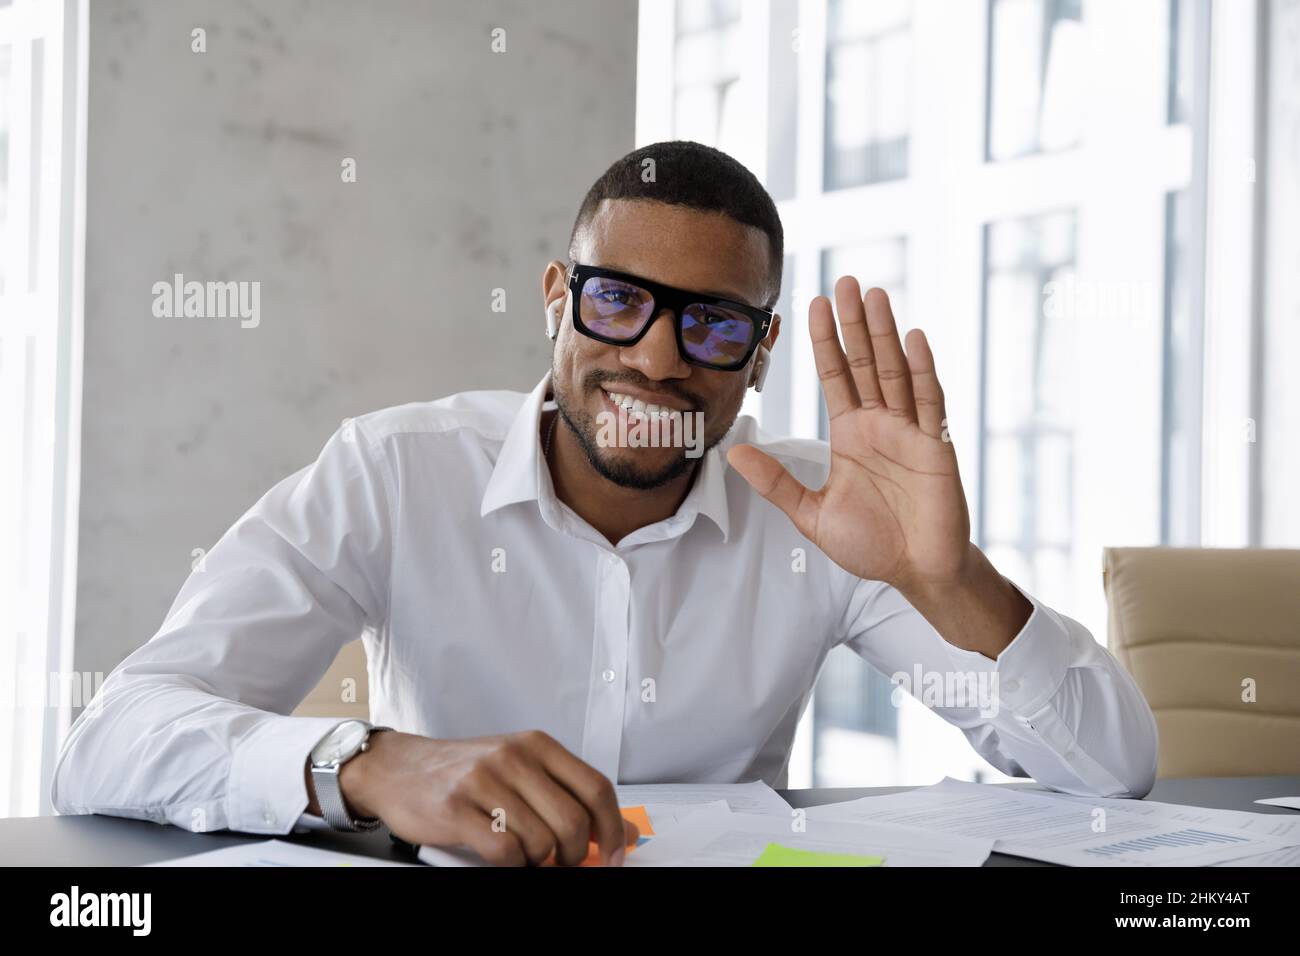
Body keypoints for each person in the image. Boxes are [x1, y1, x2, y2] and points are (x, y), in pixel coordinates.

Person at [52, 141, 1158, 866]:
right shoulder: (394, 472)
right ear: (556, 299)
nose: (658, 358)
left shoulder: (825, 512)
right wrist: (373, 762)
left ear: (760, 352)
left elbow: (1114, 774)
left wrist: (948, 580)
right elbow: (111, 741)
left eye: (713, 322)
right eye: (619, 300)